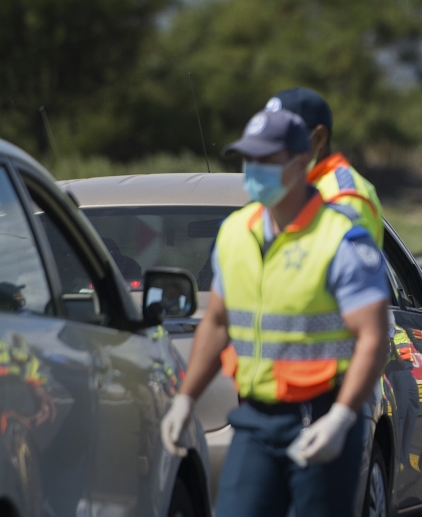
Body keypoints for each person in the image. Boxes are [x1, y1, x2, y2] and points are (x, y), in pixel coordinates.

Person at [158, 109, 391, 516]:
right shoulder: (235, 232)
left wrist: (342, 416)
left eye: (266, 161)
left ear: (301, 163)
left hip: (319, 414)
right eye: (248, 159)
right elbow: (216, 323)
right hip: (254, 418)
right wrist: (185, 399)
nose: (254, 170)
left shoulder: (340, 239)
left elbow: (373, 336)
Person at [265, 87, 384, 246]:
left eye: (285, 138)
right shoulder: (294, 183)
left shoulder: (344, 197)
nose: (273, 148)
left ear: (319, 138)